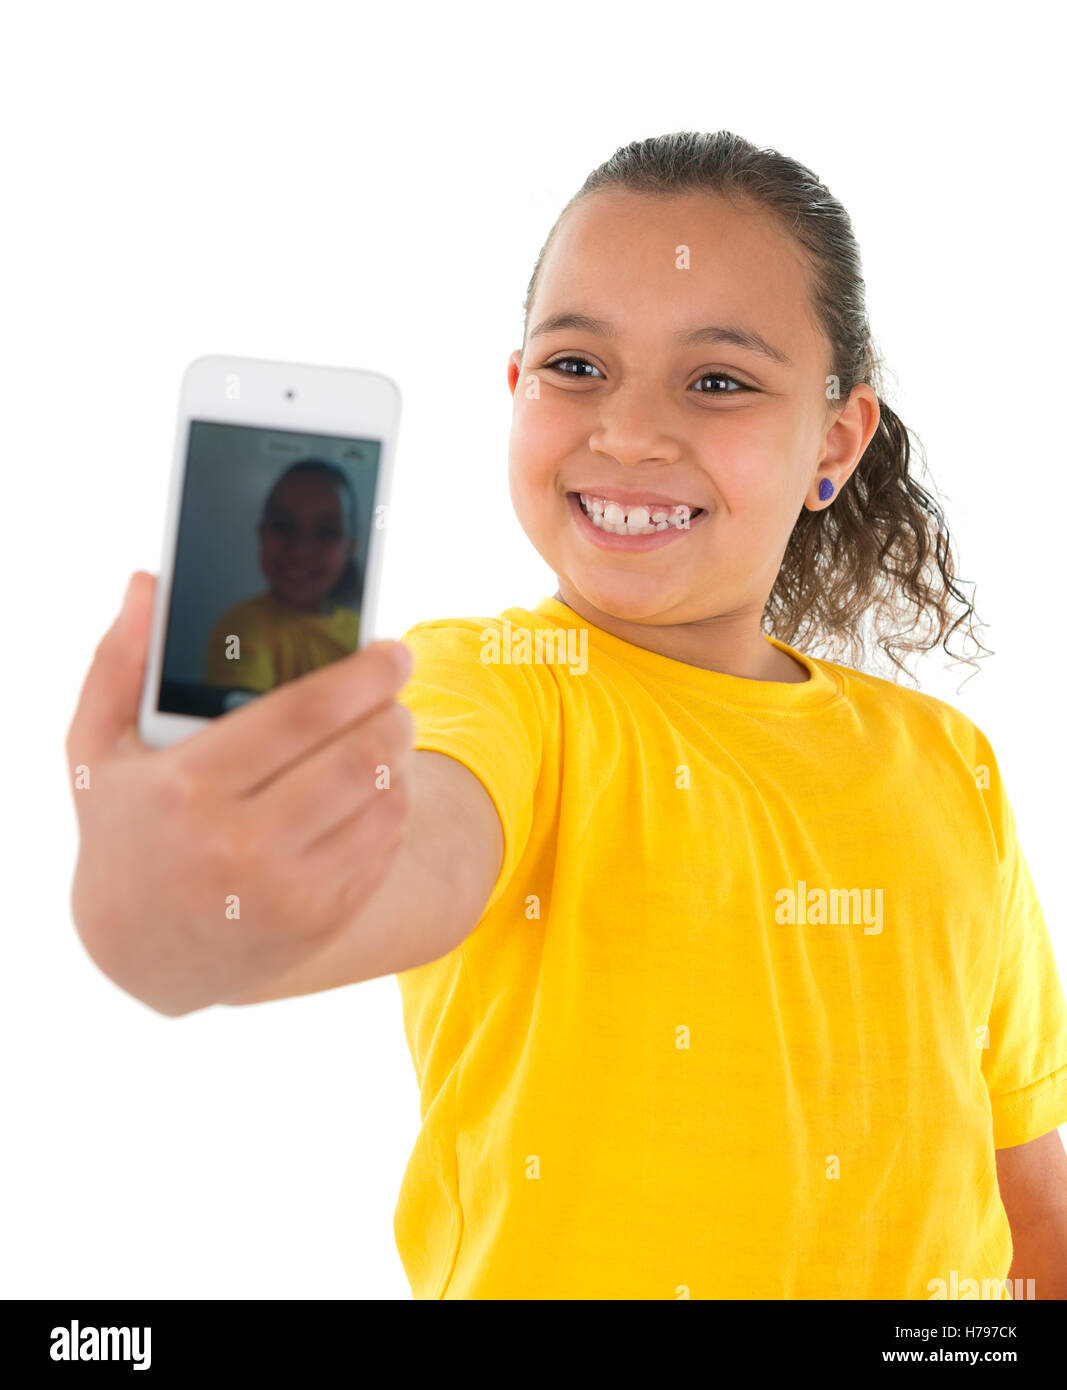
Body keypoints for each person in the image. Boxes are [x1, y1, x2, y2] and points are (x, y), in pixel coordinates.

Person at [66, 130, 1067, 1301]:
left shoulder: (950, 763)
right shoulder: (492, 686)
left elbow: (1023, 1186)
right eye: (576, 366)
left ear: (834, 441)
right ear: (515, 390)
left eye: (717, 380)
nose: (628, 433)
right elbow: (412, 851)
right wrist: (174, 911)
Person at [203, 459, 362, 692]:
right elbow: (236, 709)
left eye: (326, 532)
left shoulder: (364, 634)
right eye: (283, 526)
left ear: (350, 547)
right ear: (262, 534)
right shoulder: (237, 631)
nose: (301, 550)